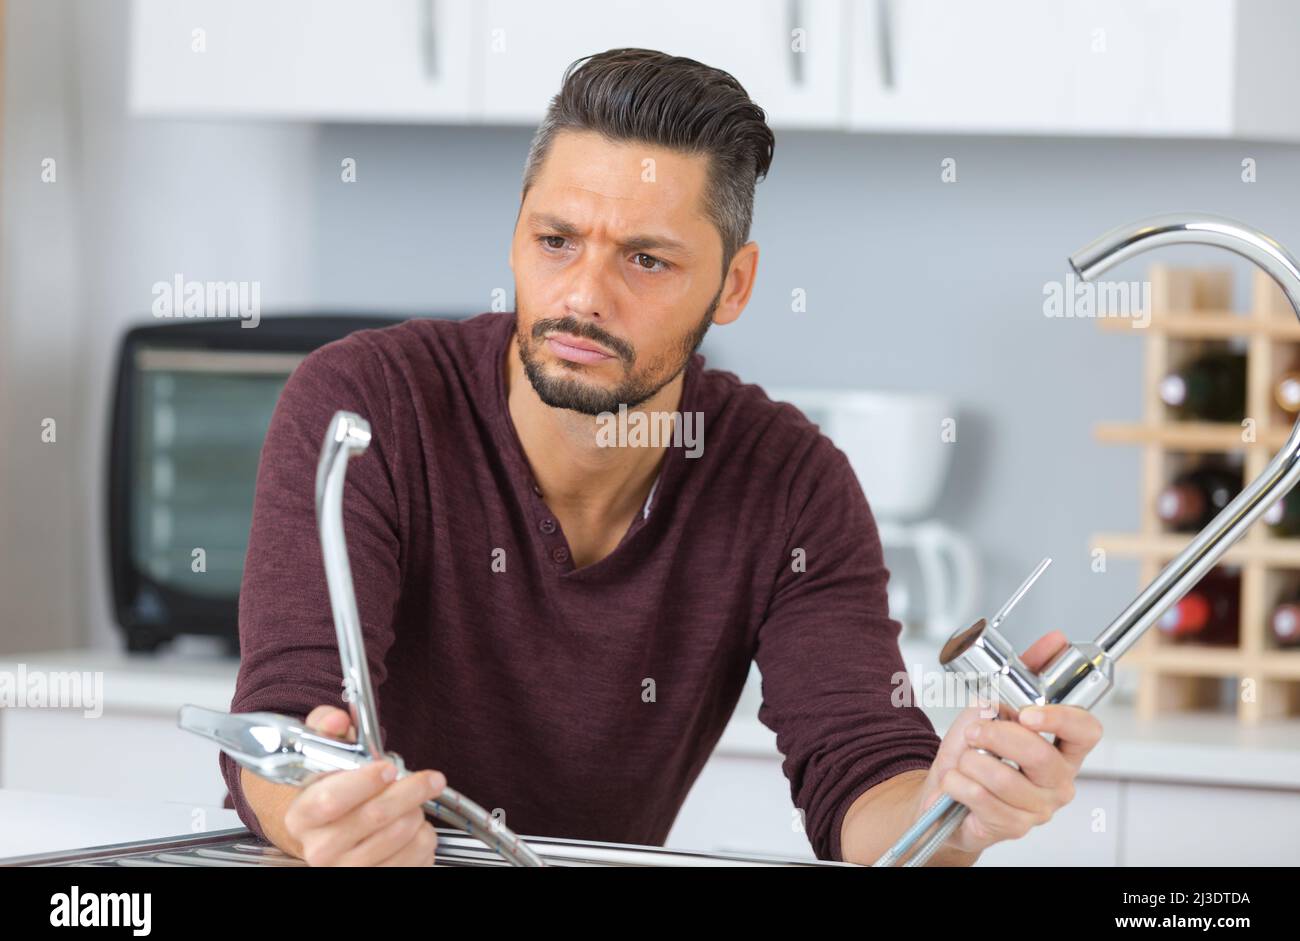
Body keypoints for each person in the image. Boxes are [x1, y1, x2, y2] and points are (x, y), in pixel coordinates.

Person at [221, 47, 1102, 866]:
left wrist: (960, 806)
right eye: (555, 241)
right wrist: (322, 814)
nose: (582, 297)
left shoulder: (789, 484)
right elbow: (287, 720)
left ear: (735, 285)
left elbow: (865, 782)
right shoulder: (367, 404)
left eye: (646, 259)